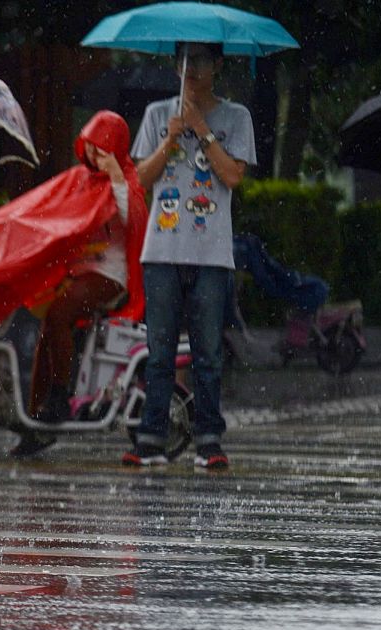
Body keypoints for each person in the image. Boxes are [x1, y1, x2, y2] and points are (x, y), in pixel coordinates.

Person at [124, 42, 256, 470]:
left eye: (199, 59)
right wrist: (169, 140)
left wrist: (201, 129)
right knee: (159, 351)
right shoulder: (158, 114)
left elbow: (233, 176)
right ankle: (150, 439)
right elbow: (140, 178)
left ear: (217, 63)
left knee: (208, 352)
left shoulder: (236, 117)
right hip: (162, 249)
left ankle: (208, 440)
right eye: (182, 59)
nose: (190, 67)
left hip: (211, 254)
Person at [9, 111, 148, 457]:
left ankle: (59, 395)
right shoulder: (81, 180)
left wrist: (116, 177)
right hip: (77, 274)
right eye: (91, 150)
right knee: (48, 327)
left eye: (103, 150)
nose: (95, 157)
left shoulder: (126, 182)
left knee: (58, 316)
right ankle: (39, 409)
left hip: (110, 275)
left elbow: (136, 224)